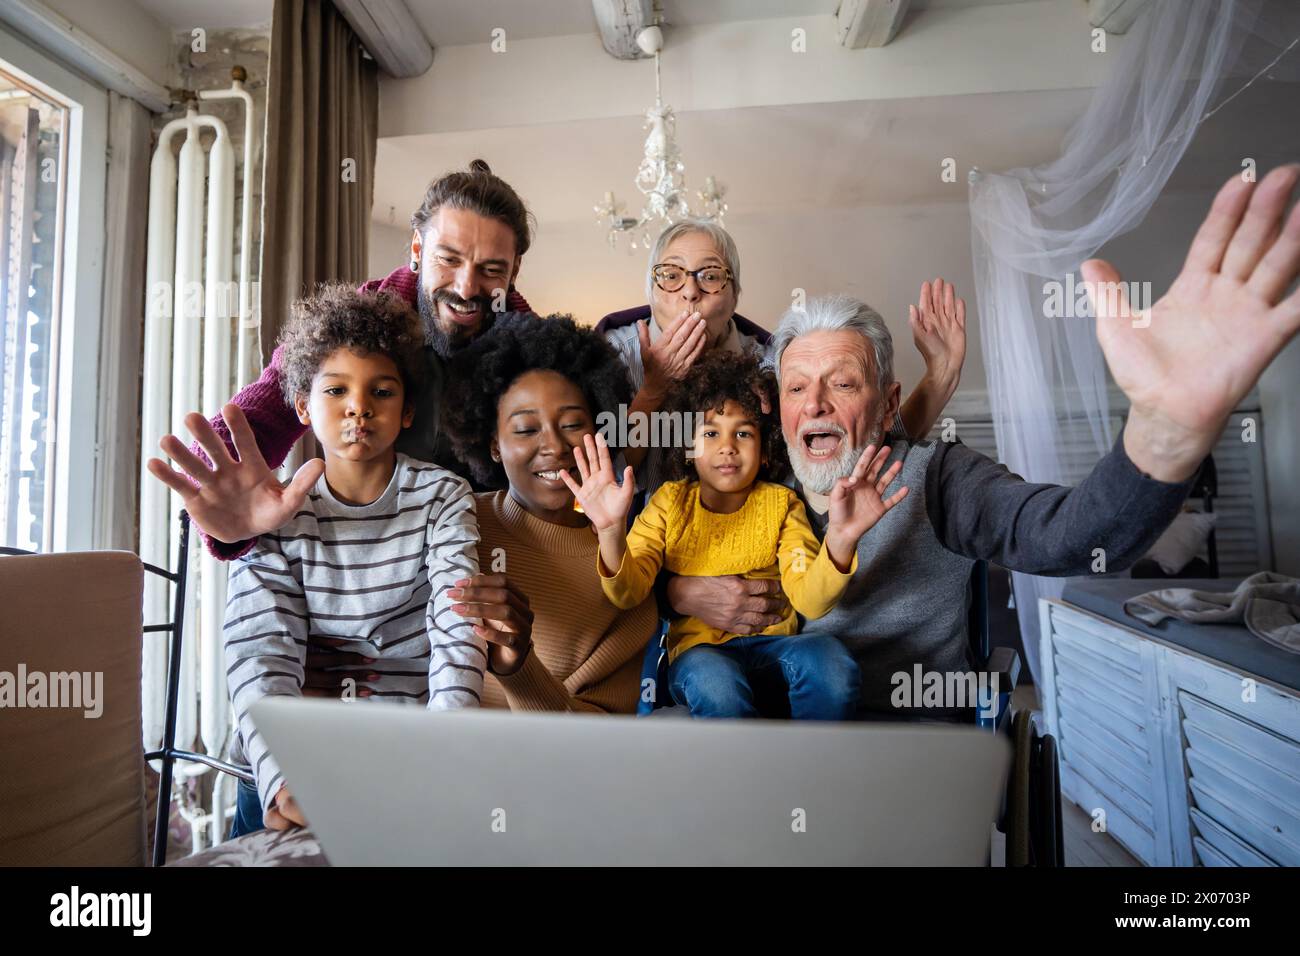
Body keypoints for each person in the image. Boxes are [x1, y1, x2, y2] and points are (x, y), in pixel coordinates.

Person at [665, 164, 1300, 718]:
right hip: (777, 747)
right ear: (777, 407)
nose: (817, 404)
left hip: (909, 742)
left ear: (887, 402)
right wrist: (678, 591)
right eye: (798, 387)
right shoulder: (754, 481)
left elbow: (1070, 533)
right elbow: (647, 563)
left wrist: (1165, 436)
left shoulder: (939, 477)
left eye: (843, 384)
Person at [222, 286, 484, 835]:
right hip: (295, 753)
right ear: (302, 406)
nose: (358, 406)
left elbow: (457, 630)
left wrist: (447, 756)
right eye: (336, 389)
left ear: (407, 409)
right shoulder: (277, 512)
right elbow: (259, 650)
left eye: (381, 391)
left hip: (407, 752)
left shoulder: (442, 497)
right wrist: (282, 777)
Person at [565, 350, 907, 720]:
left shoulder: (781, 504)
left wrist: (841, 538)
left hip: (777, 649)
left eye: (743, 433)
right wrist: (611, 532)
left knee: (831, 663)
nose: (727, 446)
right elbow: (629, 592)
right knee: (718, 685)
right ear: (689, 450)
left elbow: (809, 600)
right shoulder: (668, 503)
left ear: (765, 451)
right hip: (701, 657)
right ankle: (740, 773)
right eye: (710, 433)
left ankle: (813, 765)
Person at [601, 217, 968, 498]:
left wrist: (942, 374)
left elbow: (860, 452)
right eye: (671, 275)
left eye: (711, 276)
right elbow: (600, 480)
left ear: (734, 296)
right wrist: (653, 390)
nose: (690, 291)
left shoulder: (776, 364)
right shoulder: (612, 354)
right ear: (651, 289)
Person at [438, 312, 661, 713]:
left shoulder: (626, 573)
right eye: (525, 430)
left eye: (573, 424)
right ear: (492, 444)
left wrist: (518, 665)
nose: (554, 446)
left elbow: (601, 740)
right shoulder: (453, 525)